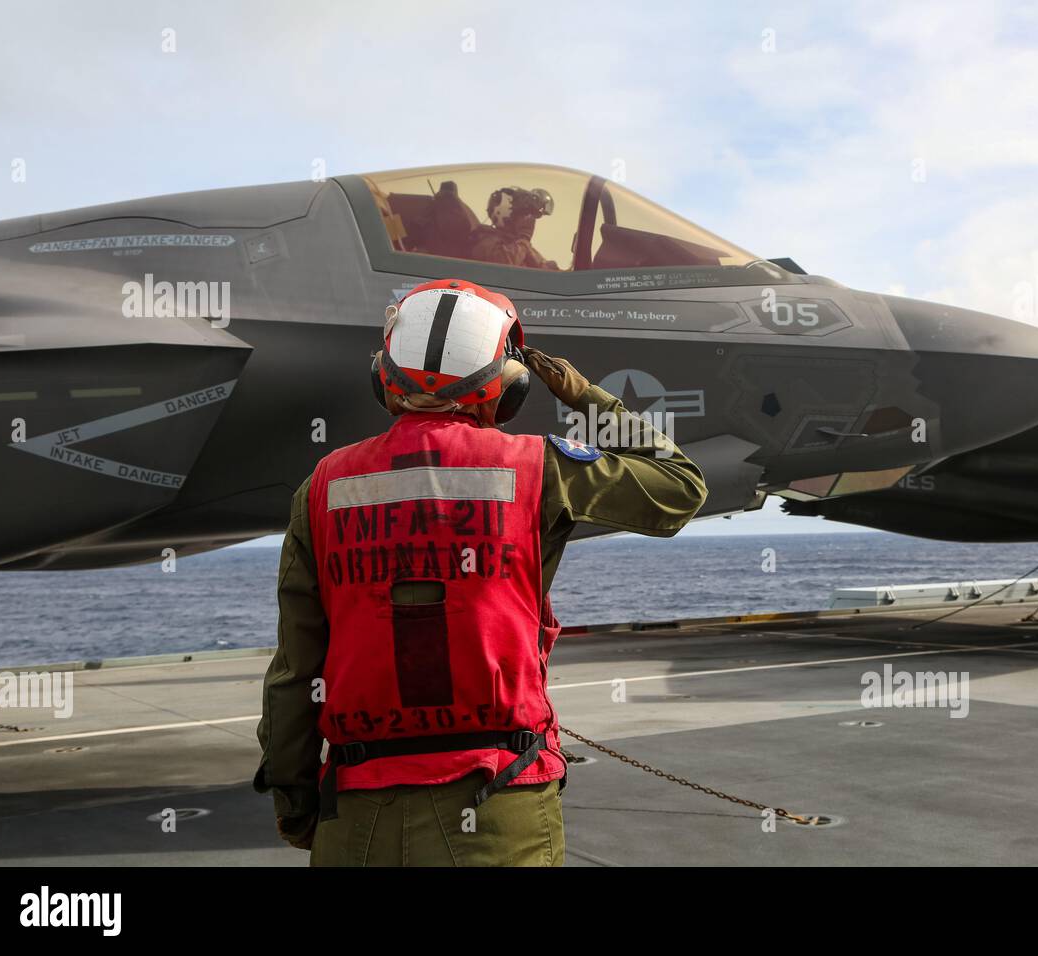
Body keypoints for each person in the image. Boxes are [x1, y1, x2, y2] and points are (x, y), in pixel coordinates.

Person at [253, 278, 706, 866]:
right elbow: (682, 490)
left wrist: (294, 798)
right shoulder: (540, 467)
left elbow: (294, 670)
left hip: (358, 808)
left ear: (383, 376)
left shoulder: (324, 486)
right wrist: (589, 398)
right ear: (507, 387)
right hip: (499, 806)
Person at [469, 186, 560, 269]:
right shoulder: (486, 241)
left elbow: (540, 267)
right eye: (524, 216)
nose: (529, 221)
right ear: (507, 216)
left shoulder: (516, 243)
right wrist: (525, 237)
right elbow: (507, 265)